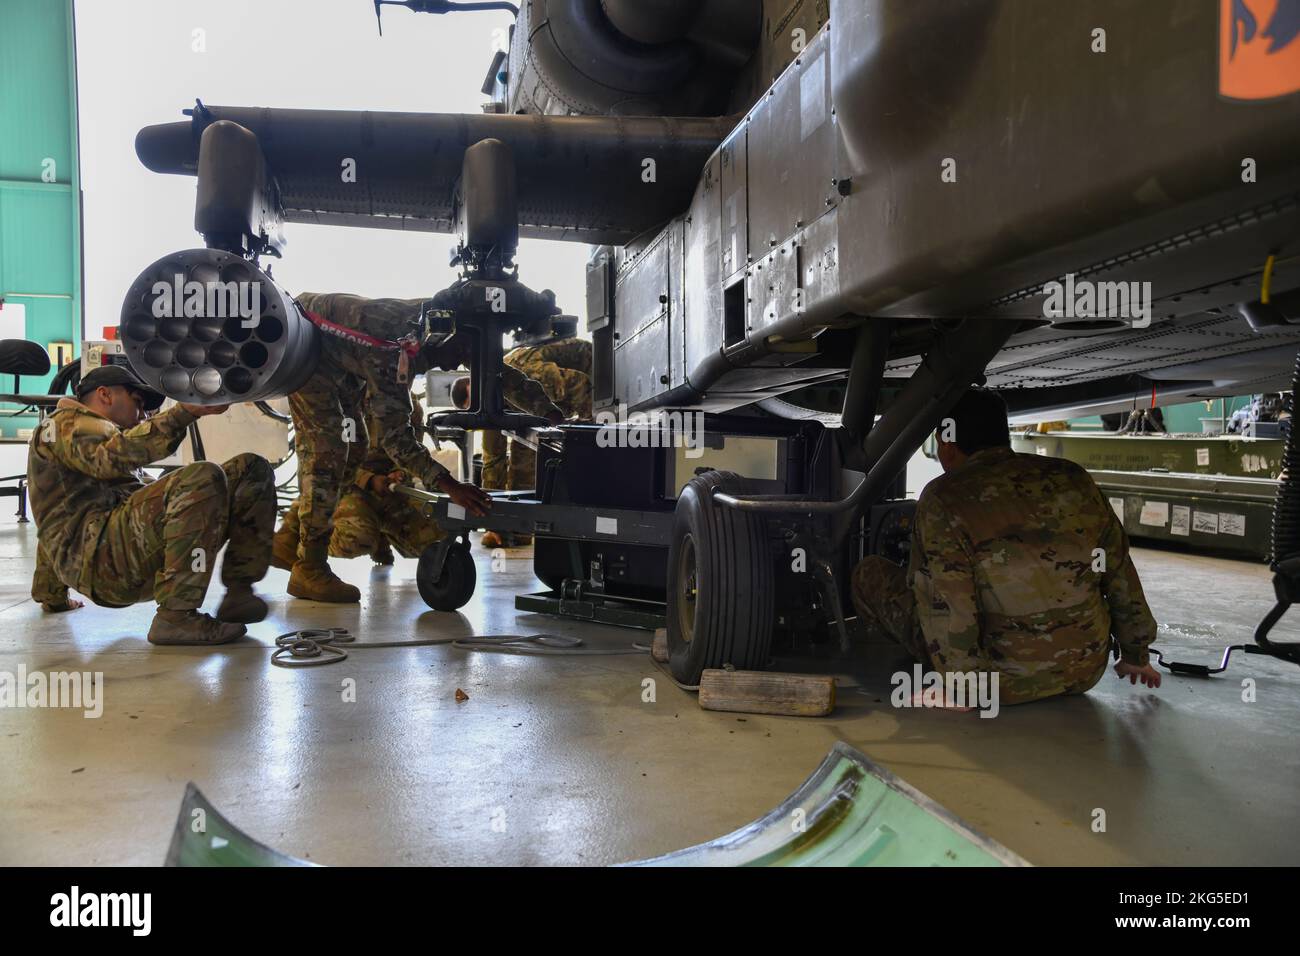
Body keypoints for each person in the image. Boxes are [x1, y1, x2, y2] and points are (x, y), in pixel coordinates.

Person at [851, 387, 1162, 706]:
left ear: (946, 443)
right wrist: (1136, 653)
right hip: (1082, 673)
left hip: (998, 685)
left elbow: (947, 600)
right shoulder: (1072, 478)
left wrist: (963, 688)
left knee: (870, 574)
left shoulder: (946, 497)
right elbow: (1118, 570)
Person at [282, 292, 563, 602]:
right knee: (329, 450)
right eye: (459, 352)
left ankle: (292, 538)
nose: (459, 361)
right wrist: (448, 484)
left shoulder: (455, 326)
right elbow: (395, 438)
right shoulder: (393, 347)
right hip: (309, 344)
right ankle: (308, 566)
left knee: (354, 448)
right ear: (438, 338)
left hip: (346, 359)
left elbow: (500, 374)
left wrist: (549, 413)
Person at [27, 365, 275, 645]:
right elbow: (108, 460)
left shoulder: (92, 436)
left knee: (250, 469)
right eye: (138, 403)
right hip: (104, 567)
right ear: (105, 395)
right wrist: (184, 413)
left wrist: (51, 596)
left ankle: (239, 591)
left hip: (121, 558)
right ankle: (176, 618)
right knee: (203, 476)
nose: (144, 415)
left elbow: (52, 515)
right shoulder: (63, 425)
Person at [454, 336, 592, 548]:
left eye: (475, 401)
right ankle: (518, 531)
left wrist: (590, 433)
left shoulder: (516, 371)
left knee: (587, 441)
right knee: (523, 461)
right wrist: (492, 521)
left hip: (595, 363)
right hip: (552, 399)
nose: (480, 408)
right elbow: (493, 459)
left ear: (474, 382)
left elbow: (580, 385)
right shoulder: (491, 404)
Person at [273, 398, 445, 566]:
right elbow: (329, 458)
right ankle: (305, 540)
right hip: (347, 485)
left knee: (435, 541)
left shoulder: (408, 402)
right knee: (356, 540)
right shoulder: (342, 398)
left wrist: (399, 473)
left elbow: (412, 452)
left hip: (390, 488)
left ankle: (380, 535)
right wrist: (369, 480)